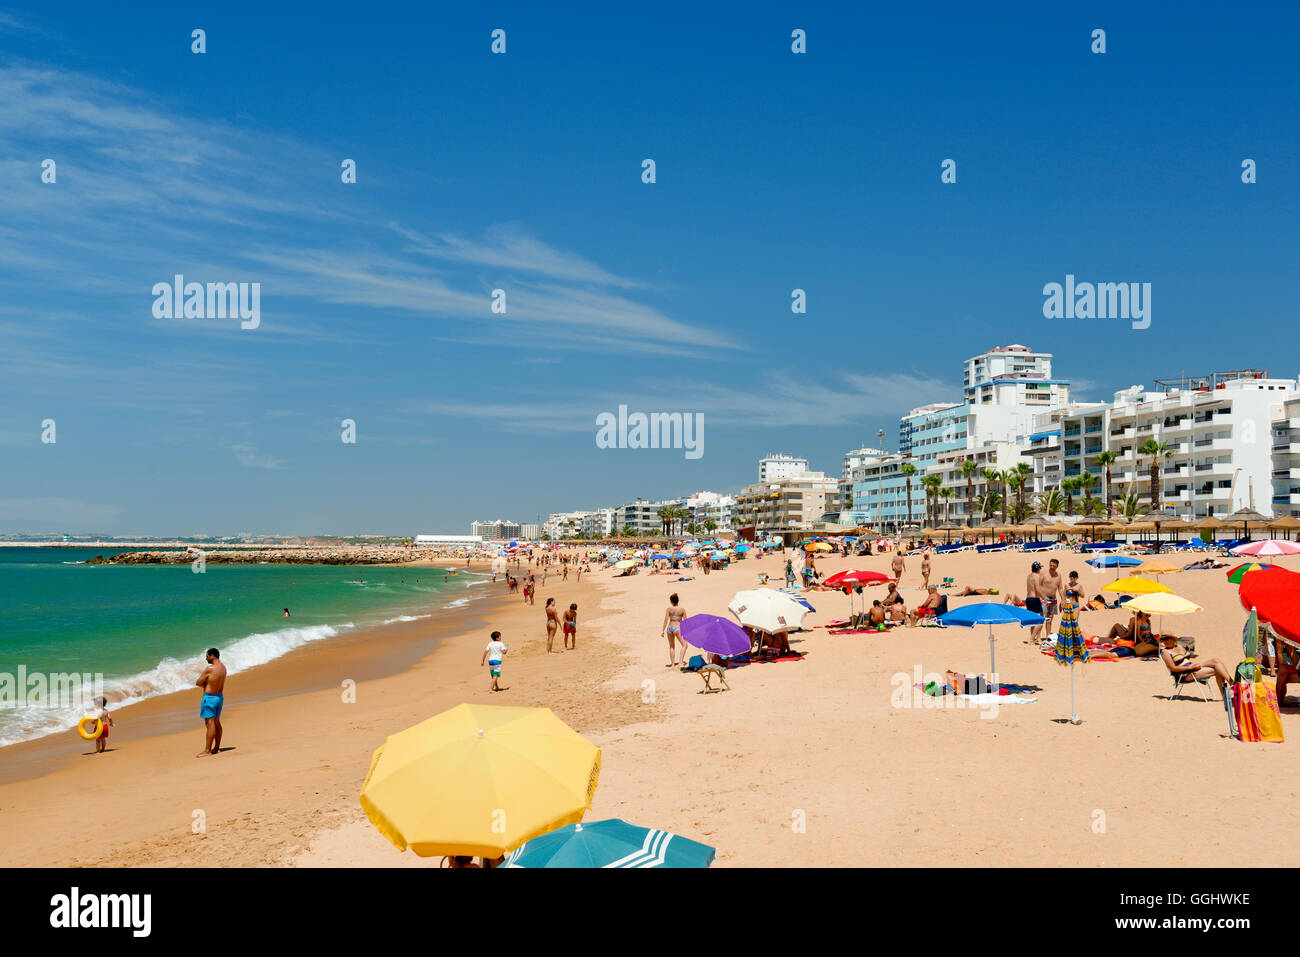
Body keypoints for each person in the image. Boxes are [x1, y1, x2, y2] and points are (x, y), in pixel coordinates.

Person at [1160, 635, 1233, 695]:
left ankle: (1231, 683)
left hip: (1192, 667)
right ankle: (1230, 689)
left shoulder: (1179, 646)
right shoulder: (1165, 652)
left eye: (1167, 639)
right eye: (1163, 640)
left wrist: (1193, 666)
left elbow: (1188, 657)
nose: (1165, 641)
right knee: (1218, 670)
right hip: (1184, 674)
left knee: (1215, 660)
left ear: (1172, 639)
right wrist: (1189, 668)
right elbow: (1172, 668)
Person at [194, 647, 226, 758]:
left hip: (210, 698)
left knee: (210, 723)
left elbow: (198, 682)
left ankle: (207, 750)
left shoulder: (210, 669)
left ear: (212, 656)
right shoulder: (223, 667)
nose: (206, 658)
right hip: (219, 697)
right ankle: (216, 748)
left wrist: (205, 684)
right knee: (216, 722)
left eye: (207, 656)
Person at [662, 593, 688, 668]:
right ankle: (680, 663)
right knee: (684, 645)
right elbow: (685, 621)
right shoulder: (682, 610)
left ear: (671, 601)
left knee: (671, 646)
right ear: (678, 601)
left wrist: (662, 631)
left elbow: (666, 620)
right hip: (677, 628)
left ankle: (673, 664)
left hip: (669, 628)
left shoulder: (669, 609)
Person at [1025, 562, 1044, 642]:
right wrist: (1044, 599)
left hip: (1028, 599)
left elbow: (1029, 589)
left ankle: (1034, 638)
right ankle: (1031, 639)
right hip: (1034, 599)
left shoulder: (1029, 576)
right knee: (1041, 620)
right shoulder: (1037, 576)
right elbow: (1037, 589)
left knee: (1032, 620)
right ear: (1038, 569)